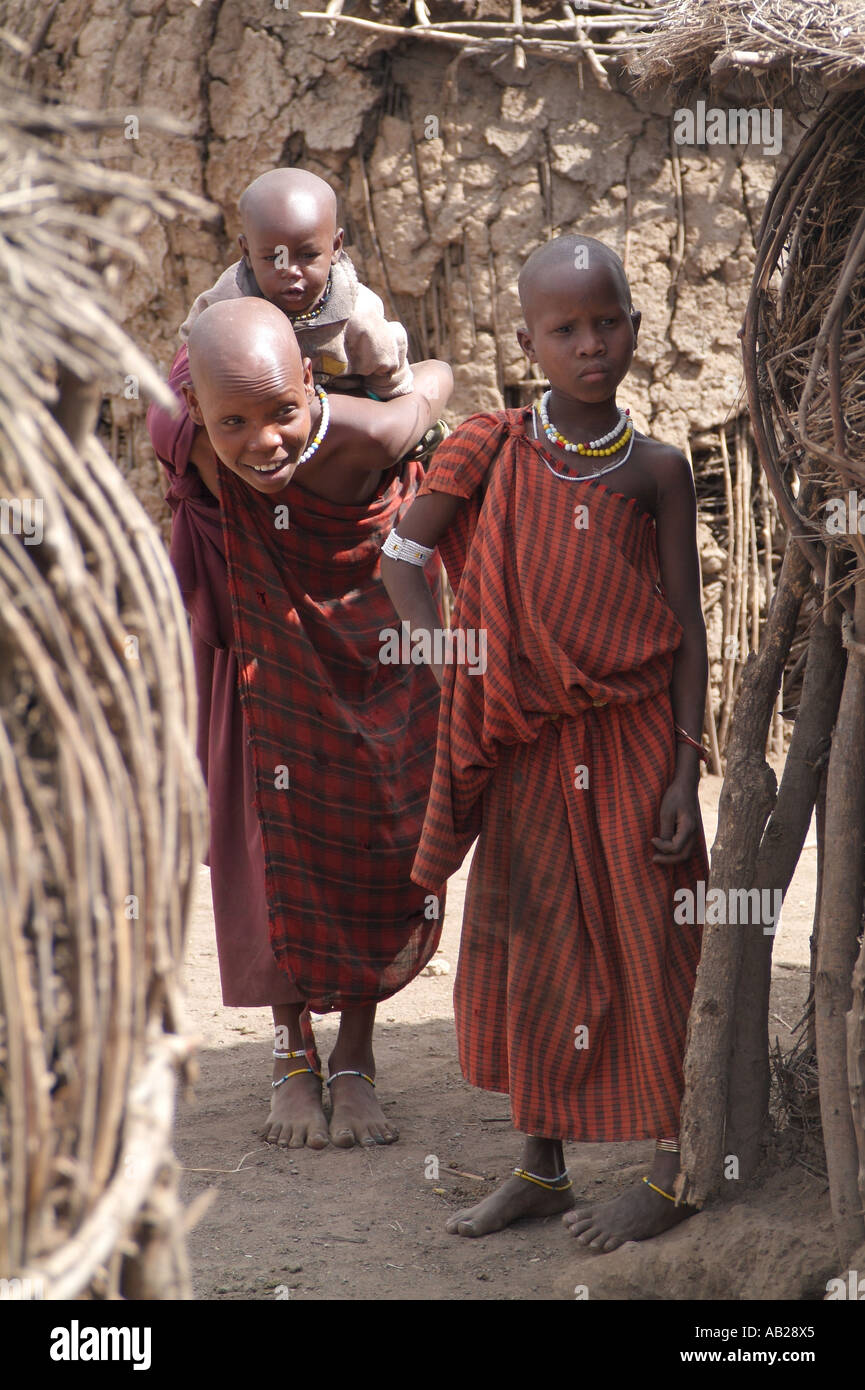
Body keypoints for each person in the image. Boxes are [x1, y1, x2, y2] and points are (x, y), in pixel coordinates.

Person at [381, 234, 709, 1251]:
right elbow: (403, 557)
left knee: (652, 944)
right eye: (564, 329)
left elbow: (688, 629)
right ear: (528, 342)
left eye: (606, 321)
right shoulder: (489, 446)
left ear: (637, 329)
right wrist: (455, 667)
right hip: (524, 743)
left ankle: (670, 1171)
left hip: (633, 735)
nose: (590, 343)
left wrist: (683, 771)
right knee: (540, 945)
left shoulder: (657, 469)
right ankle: (540, 1165)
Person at [147, 297, 452, 1150]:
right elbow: (174, 395)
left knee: (378, 842)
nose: (264, 443)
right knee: (269, 847)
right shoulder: (198, 454)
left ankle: (354, 1055)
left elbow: (428, 392)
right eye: (231, 421)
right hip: (257, 671)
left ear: (312, 384)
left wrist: (401, 384)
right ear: (201, 419)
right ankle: (291, 1056)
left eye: (282, 412)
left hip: (375, 662)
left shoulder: (360, 436)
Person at [179, 167, 412, 400]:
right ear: (247, 252)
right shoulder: (226, 304)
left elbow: (391, 387)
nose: (289, 271)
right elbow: (192, 357)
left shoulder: (359, 319)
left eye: (308, 255)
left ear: (335, 247)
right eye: (273, 258)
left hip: (343, 416)